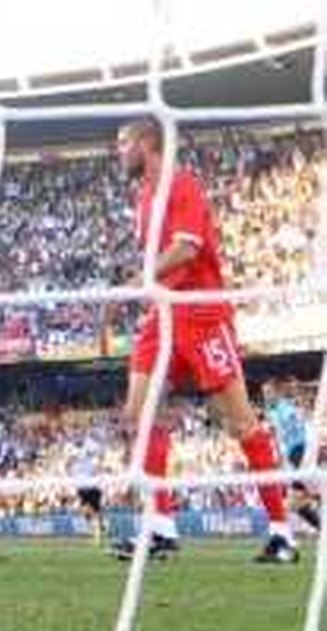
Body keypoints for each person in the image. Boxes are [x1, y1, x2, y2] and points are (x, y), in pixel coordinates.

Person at [111, 117, 296, 564]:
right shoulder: (143, 197)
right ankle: (160, 528)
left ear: (147, 144)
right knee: (137, 417)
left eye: (123, 143)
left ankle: (282, 532)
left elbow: (189, 249)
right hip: (163, 316)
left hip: (202, 313)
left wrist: (139, 279)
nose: (118, 151)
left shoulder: (183, 185)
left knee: (240, 425)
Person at [263, 379, 321, 533]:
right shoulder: (276, 410)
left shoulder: (283, 409)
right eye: (264, 394)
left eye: (268, 393)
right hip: (296, 455)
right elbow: (279, 437)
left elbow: (292, 427)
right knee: (296, 503)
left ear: (276, 393)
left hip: (301, 452)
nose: (266, 397)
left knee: (311, 493)